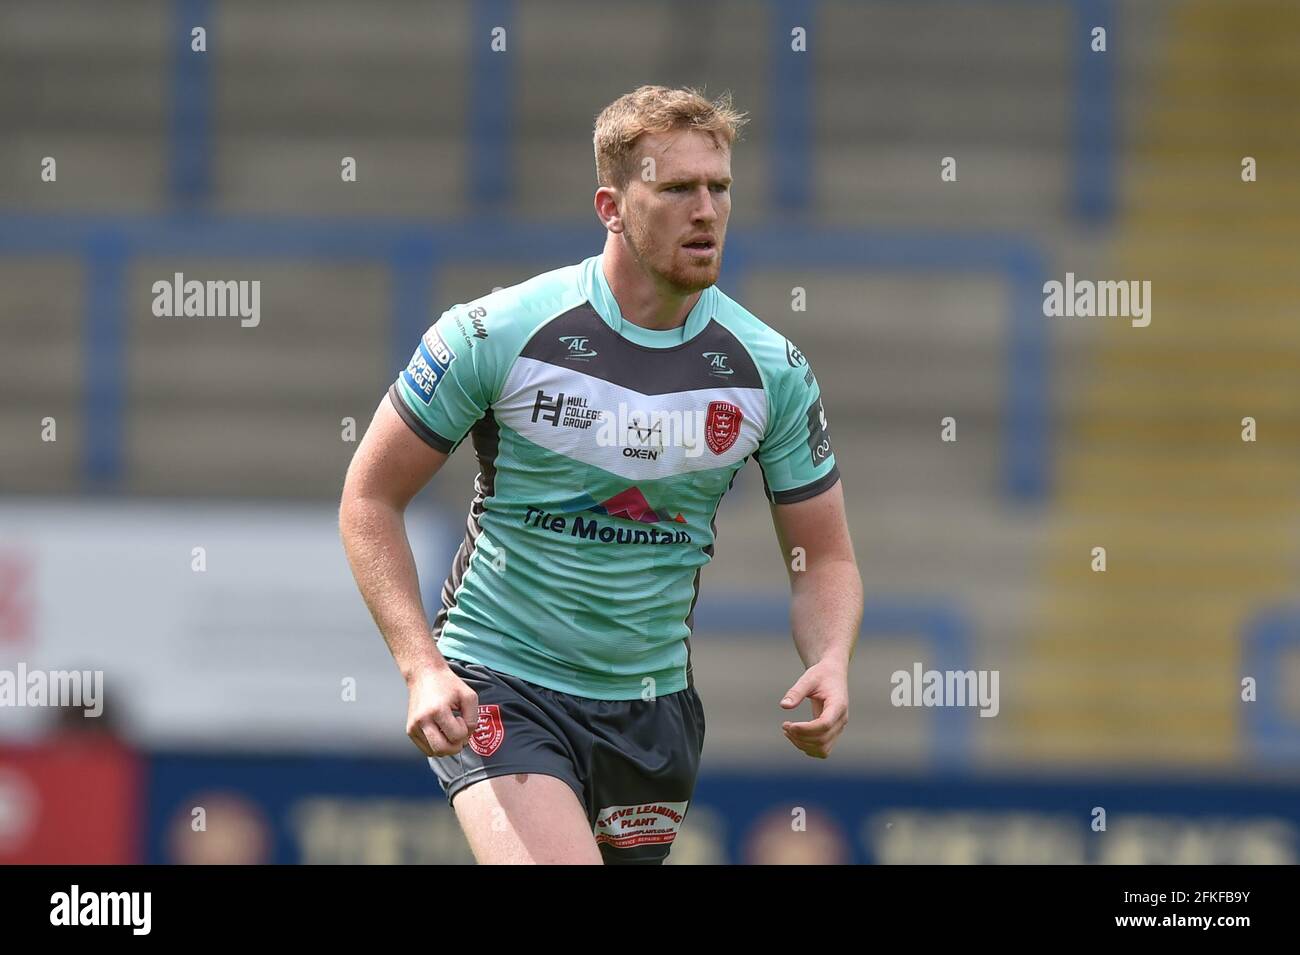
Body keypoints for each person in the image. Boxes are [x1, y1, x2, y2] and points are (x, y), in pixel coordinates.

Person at [340, 85, 863, 864]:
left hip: (652, 713)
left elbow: (824, 555)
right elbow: (369, 499)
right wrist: (421, 666)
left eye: (719, 188)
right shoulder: (497, 332)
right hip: (501, 681)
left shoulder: (769, 371)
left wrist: (830, 655)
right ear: (612, 205)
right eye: (676, 187)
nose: (706, 210)